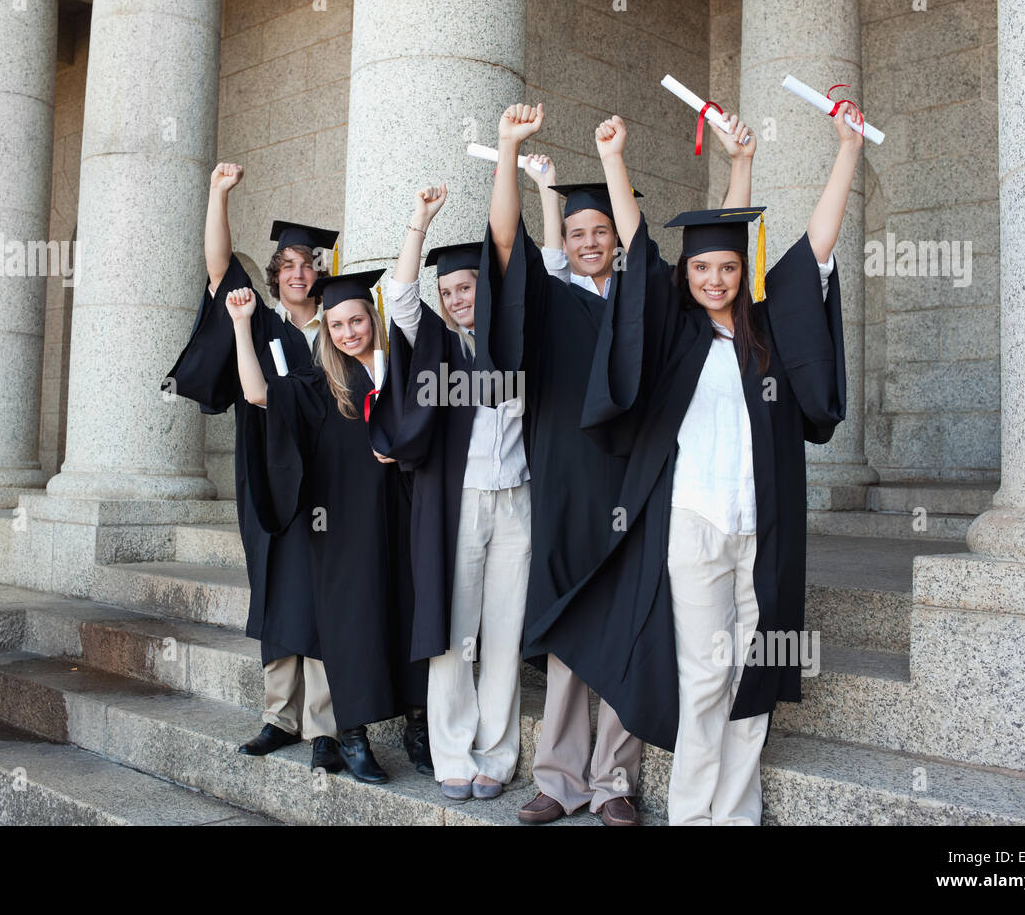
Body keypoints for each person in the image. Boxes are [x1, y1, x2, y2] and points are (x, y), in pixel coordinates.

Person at [541, 105, 860, 825]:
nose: (714, 278)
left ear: (742, 272)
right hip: (693, 525)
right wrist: (615, 160)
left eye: (726, 266)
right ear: (687, 276)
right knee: (706, 671)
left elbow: (817, 245)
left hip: (765, 527)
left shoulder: (770, 335)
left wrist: (845, 151)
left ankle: (736, 811)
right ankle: (690, 812)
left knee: (755, 675)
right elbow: (636, 246)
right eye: (702, 268)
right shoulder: (676, 334)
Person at [471, 103, 647, 826]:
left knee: (627, 627)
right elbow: (506, 243)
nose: (588, 242)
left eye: (600, 230)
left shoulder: (640, 302)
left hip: (636, 484)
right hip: (567, 484)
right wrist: (510, 153)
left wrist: (614, 161)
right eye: (576, 233)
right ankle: (560, 778)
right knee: (572, 628)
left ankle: (614, 784)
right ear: (565, 241)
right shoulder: (547, 302)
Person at [163, 162, 343, 773]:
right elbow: (218, 270)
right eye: (288, 264)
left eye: (308, 264)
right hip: (268, 477)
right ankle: (278, 717)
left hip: (328, 481)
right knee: (275, 585)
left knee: (323, 595)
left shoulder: (339, 328)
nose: (298, 273)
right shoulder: (258, 320)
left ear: (322, 274)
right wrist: (218, 195)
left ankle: (326, 724)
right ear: (275, 275)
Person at [227, 267, 430, 785]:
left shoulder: (402, 370)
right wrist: (241, 326)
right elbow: (256, 394)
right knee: (351, 625)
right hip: (341, 525)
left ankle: (418, 728)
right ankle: (355, 738)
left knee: (407, 616)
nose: (348, 333)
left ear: (373, 319)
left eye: (356, 320)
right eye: (336, 325)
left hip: (406, 517)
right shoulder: (320, 383)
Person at [368, 183, 530, 802]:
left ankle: (497, 753)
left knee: (505, 630)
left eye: (467, 287)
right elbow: (402, 298)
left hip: (517, 500)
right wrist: (419, 221)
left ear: (486, 289)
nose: (458, 298)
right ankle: (453, 752)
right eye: (449, 291)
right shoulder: (437, 345)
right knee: (457, 630)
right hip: (458, 504)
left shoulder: (517, 343)